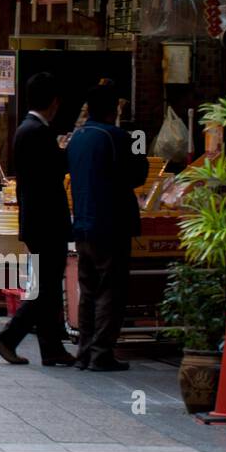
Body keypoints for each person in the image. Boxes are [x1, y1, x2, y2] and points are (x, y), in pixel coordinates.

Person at [0, 73, 77, 367]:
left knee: (47, 288)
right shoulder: (37, 131)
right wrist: (69, 149)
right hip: (46, 222)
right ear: (54, 101)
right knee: (46, 287)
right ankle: (8, 337)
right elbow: (55, 170)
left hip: (38, 222)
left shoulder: (27, 129)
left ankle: (51, 348)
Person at [67, 80, 149, 372]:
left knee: (88, 291)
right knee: (110, 292)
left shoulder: (77, 138)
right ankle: (101, 353)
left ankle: (84, 351)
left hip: (83, 224)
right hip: (110, 225)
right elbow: (138, 174)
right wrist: (136, 136)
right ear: (113, 108)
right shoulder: (114, 136)